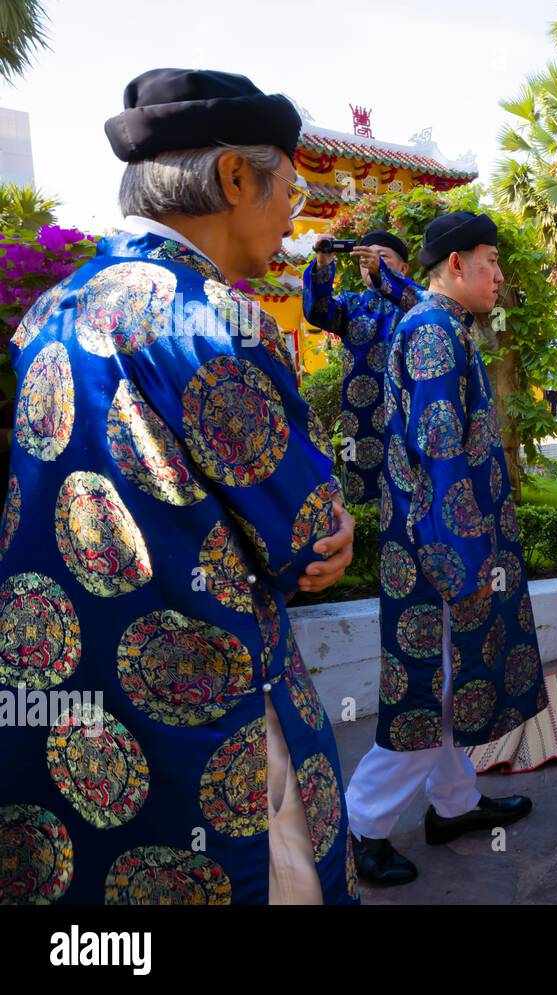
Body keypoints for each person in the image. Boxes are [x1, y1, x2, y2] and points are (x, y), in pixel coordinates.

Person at [0, 68, 358, 905]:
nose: (292, 221)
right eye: (292, 190)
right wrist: (332, 515)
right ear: (236, 178)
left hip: (58, 690)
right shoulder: (213, 319)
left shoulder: (48, 308)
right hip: (204, 699)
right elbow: (304, 534)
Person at [343, 212, 545, 885]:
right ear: (455, 264)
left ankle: (454, 803)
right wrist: (465, 564)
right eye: (489, 261)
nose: (498, 275)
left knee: (448, 682)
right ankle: (361, 827)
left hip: (434, 542)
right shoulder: (432, 331)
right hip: (439, 550)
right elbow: (439, 453)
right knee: (427, 690)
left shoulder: (436, 323)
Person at [302, 231, 421, 503]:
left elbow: (416, 300)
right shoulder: (350, 305)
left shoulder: (415, 303)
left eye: (382, 258)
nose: (371, 263)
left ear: (402, 268)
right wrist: (322, 264)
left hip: (407, 413)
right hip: (360, 418)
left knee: (411, 492)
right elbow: (319, 312)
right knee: (362, 495)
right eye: (366, 259)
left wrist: (384, 277)